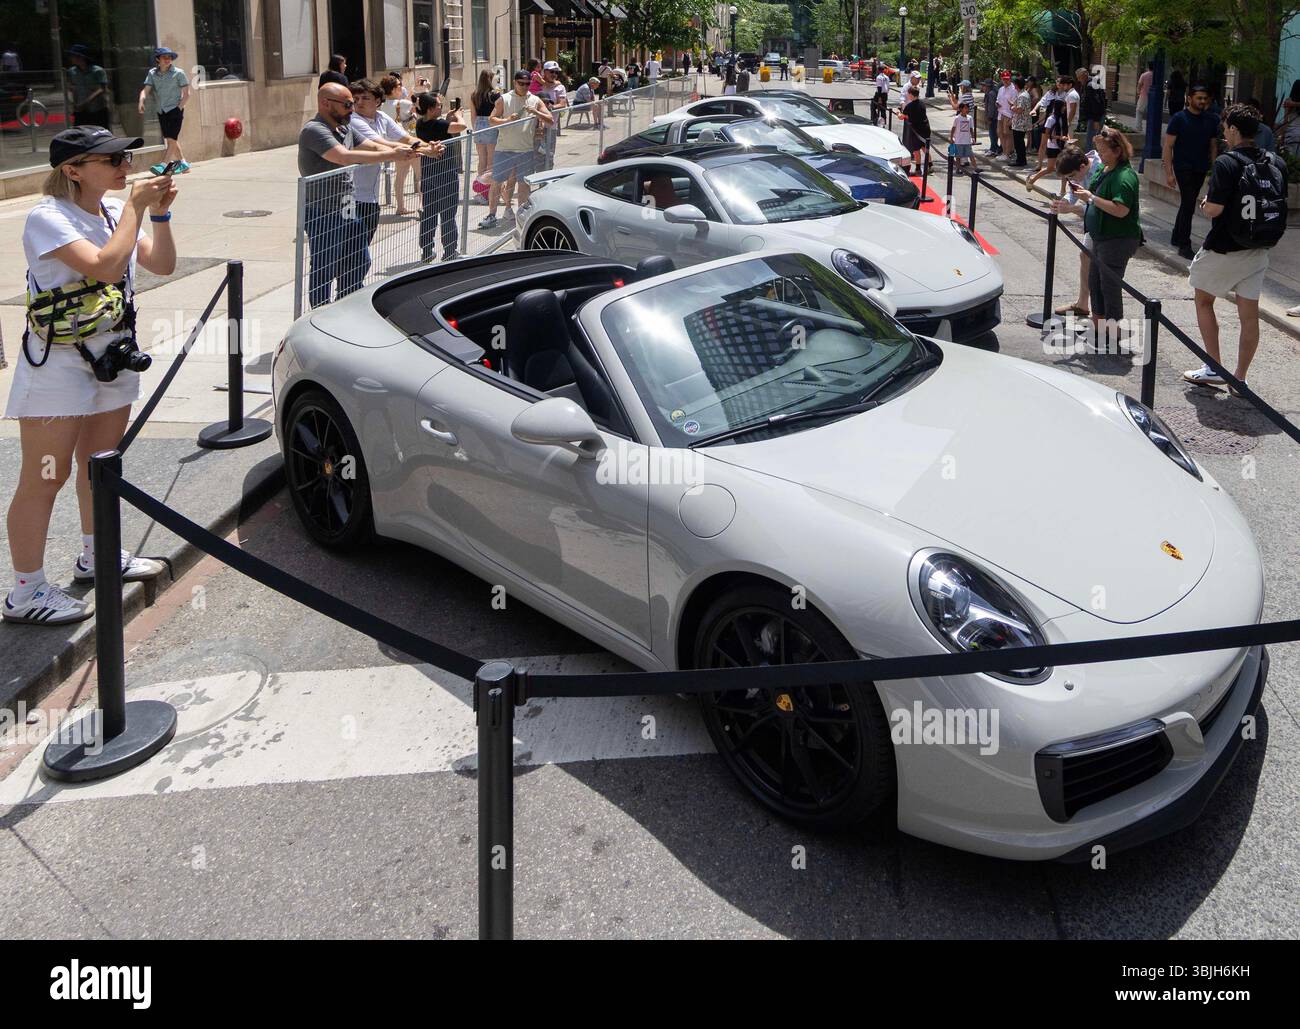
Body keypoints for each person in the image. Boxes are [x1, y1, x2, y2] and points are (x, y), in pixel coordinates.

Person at [5, 127, 177, 625]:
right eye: (109, 158)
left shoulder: (108, 213)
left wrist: (159, 212)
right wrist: (137, 209)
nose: (124, 164)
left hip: (111, 355)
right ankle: (26, 591)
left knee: (99, 466)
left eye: (123, 155)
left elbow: (162, 263)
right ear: (72, 169)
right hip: (57, 364)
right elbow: (103, 267)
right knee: (45, 475)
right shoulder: (47, 217)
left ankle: (96, 556)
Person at [1184, 104, 1288, 392]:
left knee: (1203, 300)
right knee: (1249, 314)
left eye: (1225, 126)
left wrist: (1205, 204)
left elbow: (1214, 209)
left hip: (1224, 248)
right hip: (1259, 249)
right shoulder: (1276, 162)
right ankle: (1240, 378)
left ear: (1232, 129)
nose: (1223, 131)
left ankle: (1214, 367)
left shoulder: (1227, 162)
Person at [298, 83, 420, 307]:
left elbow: (373, 146)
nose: (352, 110)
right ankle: (320, 313)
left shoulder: (344, 128)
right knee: (325, 267)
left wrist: (414, 150)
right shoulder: (315, 130)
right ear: (325, 103)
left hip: (347, 207)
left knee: (359, 261)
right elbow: (344, 156)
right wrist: (393, 154)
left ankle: (347, 305)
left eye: (352, 104)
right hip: (322, 211)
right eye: (347, 105)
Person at [1056, 128, 1142, 351]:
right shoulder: (1104, 170)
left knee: (1109, 284)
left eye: (1104, 151)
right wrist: (1072, 205)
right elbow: (1085, 196)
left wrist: (1091, 198)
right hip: (1100, 236)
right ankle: (1099, 325)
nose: (1099, 154)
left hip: (1118, 238)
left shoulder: (1124, 176)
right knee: (1095, 280)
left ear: (1117, 150)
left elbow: (1121, 209)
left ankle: (1113, 333)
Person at [349, 79, 437, 253]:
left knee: (362, 249)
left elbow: (407, 138)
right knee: (355, 253)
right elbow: (378, 144)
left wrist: (430, 146)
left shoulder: (381, 117)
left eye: (364, 98)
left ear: (377, 101)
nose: (358, 103)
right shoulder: (354, 120)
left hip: (371, 198)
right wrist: (423, 151)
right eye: (355, 99)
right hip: (351, 198)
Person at [480, 70, 552, 230]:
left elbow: (551, 120)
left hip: (525, 150)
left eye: (527, 84)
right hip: (503, 149)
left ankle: (521, 215)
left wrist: (536, 112)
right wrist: (507, 120)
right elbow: (491, 120)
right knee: (497, 182)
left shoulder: (535, 100)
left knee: (523, 185)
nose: (525, 86)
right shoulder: (503, 99)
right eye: (521, 83)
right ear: (514, 82)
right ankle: (492, 215)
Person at [1163, 84, 1219, 259]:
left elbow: (1213, 145)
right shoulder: (1179, 118)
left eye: (1204, 98)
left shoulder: (1211, 120)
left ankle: (1176, 234)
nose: (1202, 101)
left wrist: (1215, 167)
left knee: (1187, 203)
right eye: (1198, 97)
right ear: (1189, 98)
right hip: (1183, 167)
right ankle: (1184, 244)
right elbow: (1168, 146)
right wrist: (1169, 173)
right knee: (1188, 203)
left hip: (1201, 167)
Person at [1049, 143, 1104, 320]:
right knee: (1085, 255)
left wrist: (1071, 210)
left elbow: (1098, 209)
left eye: (1072, 176)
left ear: (1082, 166)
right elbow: (1074, 192)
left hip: (1109, 226)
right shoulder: (1078, 171)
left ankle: (1104, 319)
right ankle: (1083, 303)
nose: (1073, 180)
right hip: (1094, 224)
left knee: (1105, 270)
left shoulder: (1100, 171)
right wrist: (1065, 202)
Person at [414, 92, 465, 263]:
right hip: (446, 175)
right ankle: (450, 251)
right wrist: (458, 116)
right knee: (448, 214)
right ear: (429, 109)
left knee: (429, 213)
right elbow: (461, 127)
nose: (441, 108)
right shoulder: (440, 124)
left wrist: (448, 118)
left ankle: (426, 250)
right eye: (438, 106)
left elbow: (444, 125)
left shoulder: (420, 123)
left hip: (428, 174)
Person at [138, 47, 191, 173]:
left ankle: (163, 165)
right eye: (164, 57)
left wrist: (178, 109)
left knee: (171, 138)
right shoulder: (152, 73)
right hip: (161, 110)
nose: (168, 59)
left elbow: (187, 93)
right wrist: (141, 100)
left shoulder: (179, 73)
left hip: (175, 110)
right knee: (170, 139)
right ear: (158, 59)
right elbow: (146, 90)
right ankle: (184, 164)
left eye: (169, 57)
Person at [380, 74, 417, 214]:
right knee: (419, 174)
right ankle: (422, 204)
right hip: (408, 142)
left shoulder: (381, 106)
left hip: (392, 144)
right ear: (394, 89)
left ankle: (400, 206)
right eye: (399, 85)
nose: (402, 87)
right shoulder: (403, 104)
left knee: (400, 175)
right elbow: (417, 110)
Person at [1026, 88, 1071, 191]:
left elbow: (1065, 129)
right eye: (1063, 106)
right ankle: (1032, 179)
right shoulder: (1051, 119)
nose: (1065, 108)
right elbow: (1048, 134)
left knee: (1064, 168)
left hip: (1062, 145)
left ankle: (1063, 191)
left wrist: (1067, 137)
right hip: (1053, 146)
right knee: (1050, 168)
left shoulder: (1063, 118)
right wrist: (1059, 137)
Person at [66, 45, 111, 130]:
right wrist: (75, 104)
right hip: (80, 110)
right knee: (80, 134)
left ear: (81, 57)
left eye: (73, 56)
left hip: (97, 109)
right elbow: (73, 88)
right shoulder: (72, 72)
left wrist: (86, 102)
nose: (71, 58)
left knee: (101, 133)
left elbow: (102, 89)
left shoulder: (98, 71)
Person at [535, 62, 566, 171]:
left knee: (549, 156)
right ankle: (539, 183)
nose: (554, 74)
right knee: (537, 157)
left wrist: (550, 108)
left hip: (550, 128)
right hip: (535, 128)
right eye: (552, 71)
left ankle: (546, 183)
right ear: (545, 72)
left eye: (556, 72)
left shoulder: (560, 87)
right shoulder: (537, 84)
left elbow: (562, 103)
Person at [900, 86, 930, 176]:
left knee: (916, 150)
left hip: (916, 131)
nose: (907, 95)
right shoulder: (922, 104)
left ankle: (918, 169)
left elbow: (902, 116)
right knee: (925, 148)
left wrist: (898, 113)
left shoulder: (909, 106)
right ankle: (930, 166)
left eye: (908, 94)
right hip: (925, 129)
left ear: (911, 95)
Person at [1078, 66, 1106, 139]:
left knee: (1091, 140)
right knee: (1093, 138)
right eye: (1078, 77)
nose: (1078, 79)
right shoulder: (1088, 84)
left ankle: (1090, 151)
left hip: (1094, 117)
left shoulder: (1090, 86)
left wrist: (1096, 120)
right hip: (1093, 116)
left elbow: (1096, 103)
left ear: (1086, 74)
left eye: (1080, 77)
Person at [949, 101, 977, 175]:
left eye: (967, 108)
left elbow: (971, 129)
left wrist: (973, 138)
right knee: (958, 156)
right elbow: (953, 128)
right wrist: (951, 138)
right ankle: (958, 168)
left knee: (971, 155)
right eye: (965, 108)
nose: (966, 109)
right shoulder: (957, 118)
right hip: (959, 140)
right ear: (961, 109)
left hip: (967, 140)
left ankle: (976, 168)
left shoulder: (970, 118)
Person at [1009, 75, 1032, 166]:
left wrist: (1012, 107)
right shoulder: (1023, 94)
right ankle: (1020, 159)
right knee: (1019, 142)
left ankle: (1021, 160)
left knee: (1019, 142)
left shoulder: (1022, 96)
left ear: (1017, 85)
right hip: (1020, 122)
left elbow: (1020, 110)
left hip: (1020, 123)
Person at [996, 70, 1017, 162]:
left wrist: (1012, 117)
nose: (1005, 81)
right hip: (1000, 113)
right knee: (1000, 133)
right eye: (1004, 79)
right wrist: (997, 103)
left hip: (1009, 114)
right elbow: (998, 99)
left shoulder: (1014, 89)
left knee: (1007, 134)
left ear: (1010, 79)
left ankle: (1008, 153)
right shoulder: (1001, 89)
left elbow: (1015, 103)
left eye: (1007, 79)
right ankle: (1005, 152)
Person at [1135, 62, 1153, 132]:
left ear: (1148, 67)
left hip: (1143, 96)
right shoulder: (1157, 76)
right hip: (1152, 98)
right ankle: (1150, 128)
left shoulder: (1144, 75)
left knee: (1139, 111)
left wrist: (1138, 93)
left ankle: (1138, 127)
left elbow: (1139, 85)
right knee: (1151, 113)